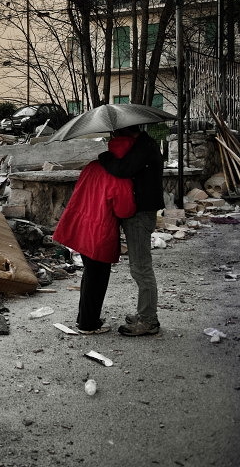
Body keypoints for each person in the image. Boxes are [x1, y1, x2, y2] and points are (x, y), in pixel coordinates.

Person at [54, 134, 137, 334]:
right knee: (98, 278)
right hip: (100, 230)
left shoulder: (92, 166)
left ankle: (84, 318)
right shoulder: (119, 176)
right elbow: (124, 210)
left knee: (90, 275)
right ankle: (88, 324)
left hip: (81, 225)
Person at [98, 124, 165, 336]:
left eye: (118, 132)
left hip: (140, 214)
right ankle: (146, 315)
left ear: (126, 130)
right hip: (141, 212)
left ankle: (148, 320)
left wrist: (105, 157)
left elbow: (122, 169)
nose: (116, 136)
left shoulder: (143, 147)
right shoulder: (145, 145)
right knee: (140, 267)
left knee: (141, 268)